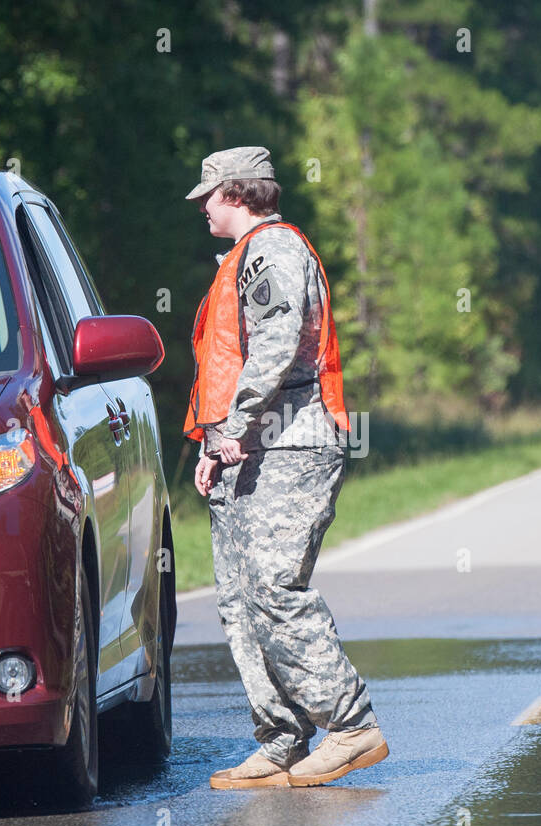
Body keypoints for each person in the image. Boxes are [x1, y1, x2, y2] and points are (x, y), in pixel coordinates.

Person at [183, 145, 388, 789]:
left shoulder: (273, 252)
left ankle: (351, 724)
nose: (202, 208)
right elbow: (227, 364)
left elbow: (272, 349)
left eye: (208, 195)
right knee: (241, 601)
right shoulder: (243, 259)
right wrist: (213, 442)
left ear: (237, 194)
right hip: (246, 447)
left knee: (274, 586)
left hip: (290, 442)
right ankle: (283, 741)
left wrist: (236, 428)